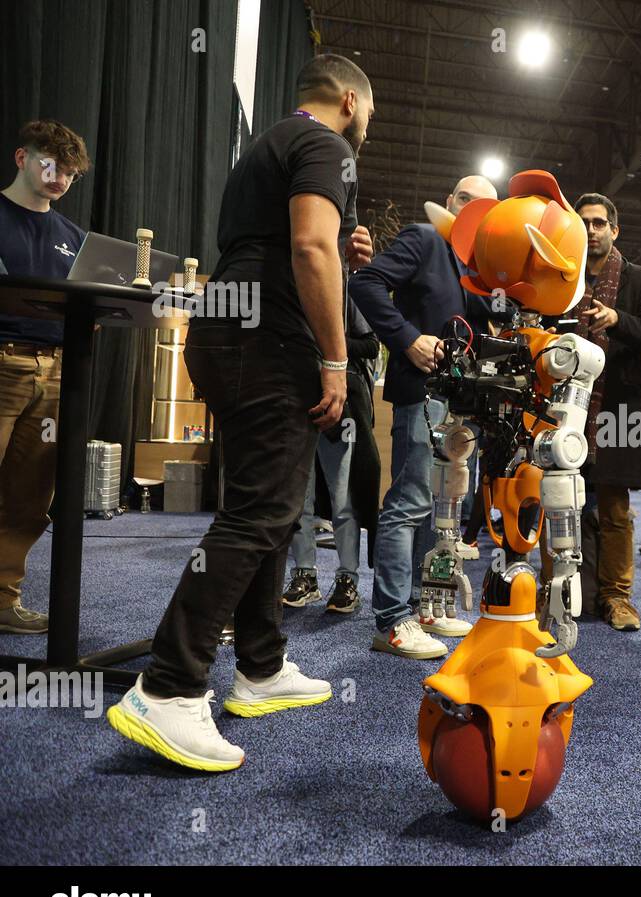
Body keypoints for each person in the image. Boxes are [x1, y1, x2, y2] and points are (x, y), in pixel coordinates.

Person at [106, 55, 376, 770]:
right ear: (350, 100)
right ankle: (167, 686)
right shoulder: (329, 145)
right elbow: (310, 244)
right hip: (269, 339)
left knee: (270, 506)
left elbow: (297, 240)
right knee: (263, 511)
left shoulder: (272, 142)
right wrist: (337, 358)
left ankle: (259, 667)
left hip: (226, 326)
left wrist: (338, 249)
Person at [350, 174, 499, 657]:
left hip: (462, 401)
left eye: (486, 207)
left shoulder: (480, 266)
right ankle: (393, 619)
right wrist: (408, 338)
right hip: (424, 393)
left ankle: (419, 607)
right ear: (451, 201)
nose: (474, 212)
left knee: (443, 508)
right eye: (467, 201)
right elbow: (366, 282)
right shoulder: (426, 237)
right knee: (410, 501)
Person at [544, 192, 641, 632]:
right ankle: (562, 590)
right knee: (559, 502)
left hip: (619, 409)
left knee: (614, 512)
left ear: (615, 230)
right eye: (585, 223)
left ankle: (617, 598)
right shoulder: (558, 276)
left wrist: (617, 320)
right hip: (562, 409)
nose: (592, 230)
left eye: (600, 223)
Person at [0, 119, 88, 636]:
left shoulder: (75, 239)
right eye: (52, 165)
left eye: (71, 174)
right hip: (4, 360)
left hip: (56, 370)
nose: (60, 179)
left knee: (30, 495)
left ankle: (4, 597)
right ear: (22, 158)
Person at [282, 300, 380, 614]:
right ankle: (305, 575)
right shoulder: (289, 282)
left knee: (343, 498)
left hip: (342, 402)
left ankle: (348, 579)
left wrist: (327, 344)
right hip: (296, 396)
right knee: (299, 499)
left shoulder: (344, 288)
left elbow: (370, 345)